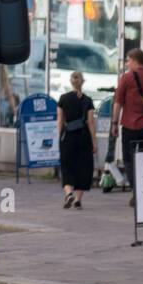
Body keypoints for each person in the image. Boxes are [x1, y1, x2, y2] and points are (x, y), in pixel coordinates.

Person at [111, 48, 143, 206]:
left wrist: (114, 123)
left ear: (135, 61)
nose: (126, 63)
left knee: (129, 159)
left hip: (130, 125)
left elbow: (118, 103)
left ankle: (136, 191)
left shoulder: (126, 77)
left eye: (128, 60)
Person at [56, 70, 96, 209]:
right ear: (82, 82)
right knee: (83, 168)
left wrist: (59, 137)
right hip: (84, 138)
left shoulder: (63, 98)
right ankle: (78, 200)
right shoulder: (88, 101)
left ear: (71, 82)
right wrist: (94, 142)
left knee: (67, 166)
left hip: (68, 138)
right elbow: (90, 122)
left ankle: (68, 194)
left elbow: (60, 120)